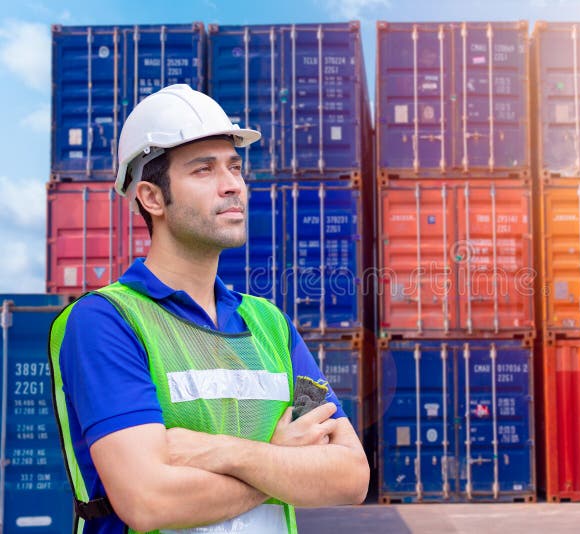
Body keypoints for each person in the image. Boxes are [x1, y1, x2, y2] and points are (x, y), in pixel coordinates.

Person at [49, 84, 369, 534]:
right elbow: (149, 501)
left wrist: (226, 453)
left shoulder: (270, 326)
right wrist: (284, 462)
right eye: (204, 170)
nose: (232, 185)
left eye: (235, 167)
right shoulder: (106, 322)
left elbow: (351, 477)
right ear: (152, 198)